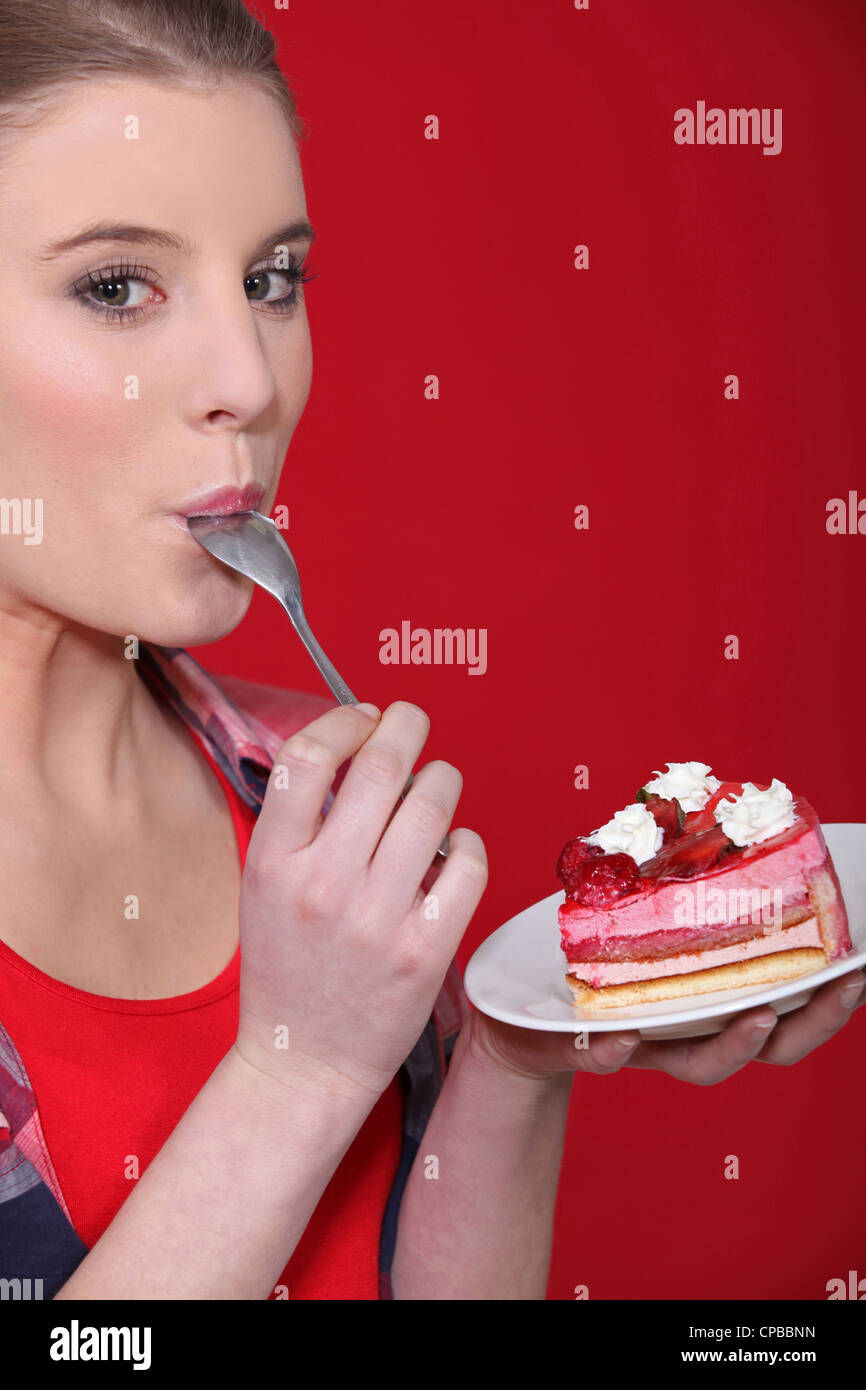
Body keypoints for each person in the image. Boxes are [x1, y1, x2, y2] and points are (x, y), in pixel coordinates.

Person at [0, 0, 862, 1302]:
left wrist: (513, 1056)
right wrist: (296, 1070)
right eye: (118, 286)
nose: (250, 371)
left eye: (268, 281)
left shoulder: (302, 785)